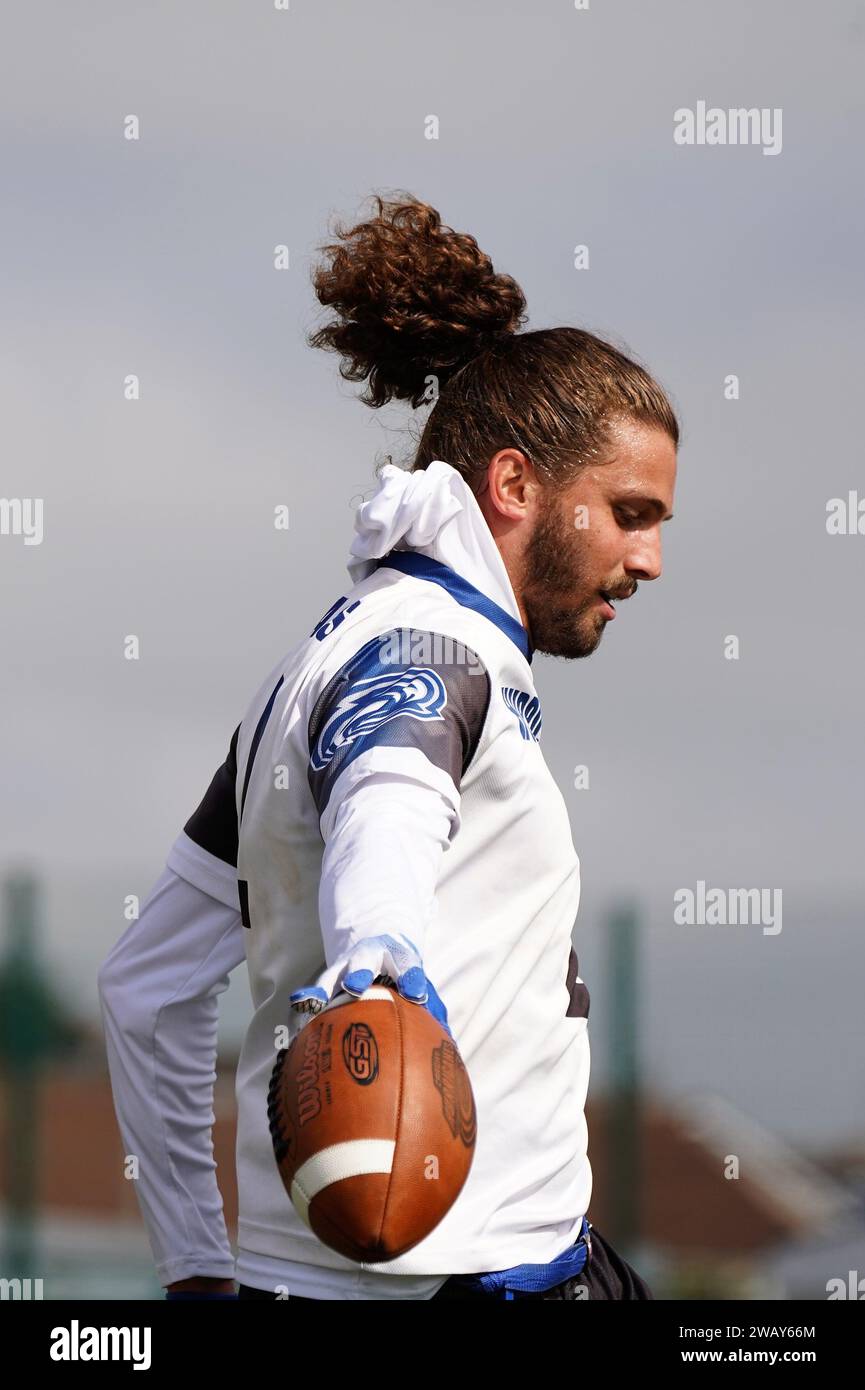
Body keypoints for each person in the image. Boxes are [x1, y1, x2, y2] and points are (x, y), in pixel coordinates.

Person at [98, 192, 678, 1301]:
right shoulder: (431, 651)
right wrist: (377, 949)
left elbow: (142, 989)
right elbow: (389, 790)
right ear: (515, 486)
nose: (646, 560)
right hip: (480, 1283)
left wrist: (197, 1269)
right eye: (628, 512)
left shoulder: (304, 669)